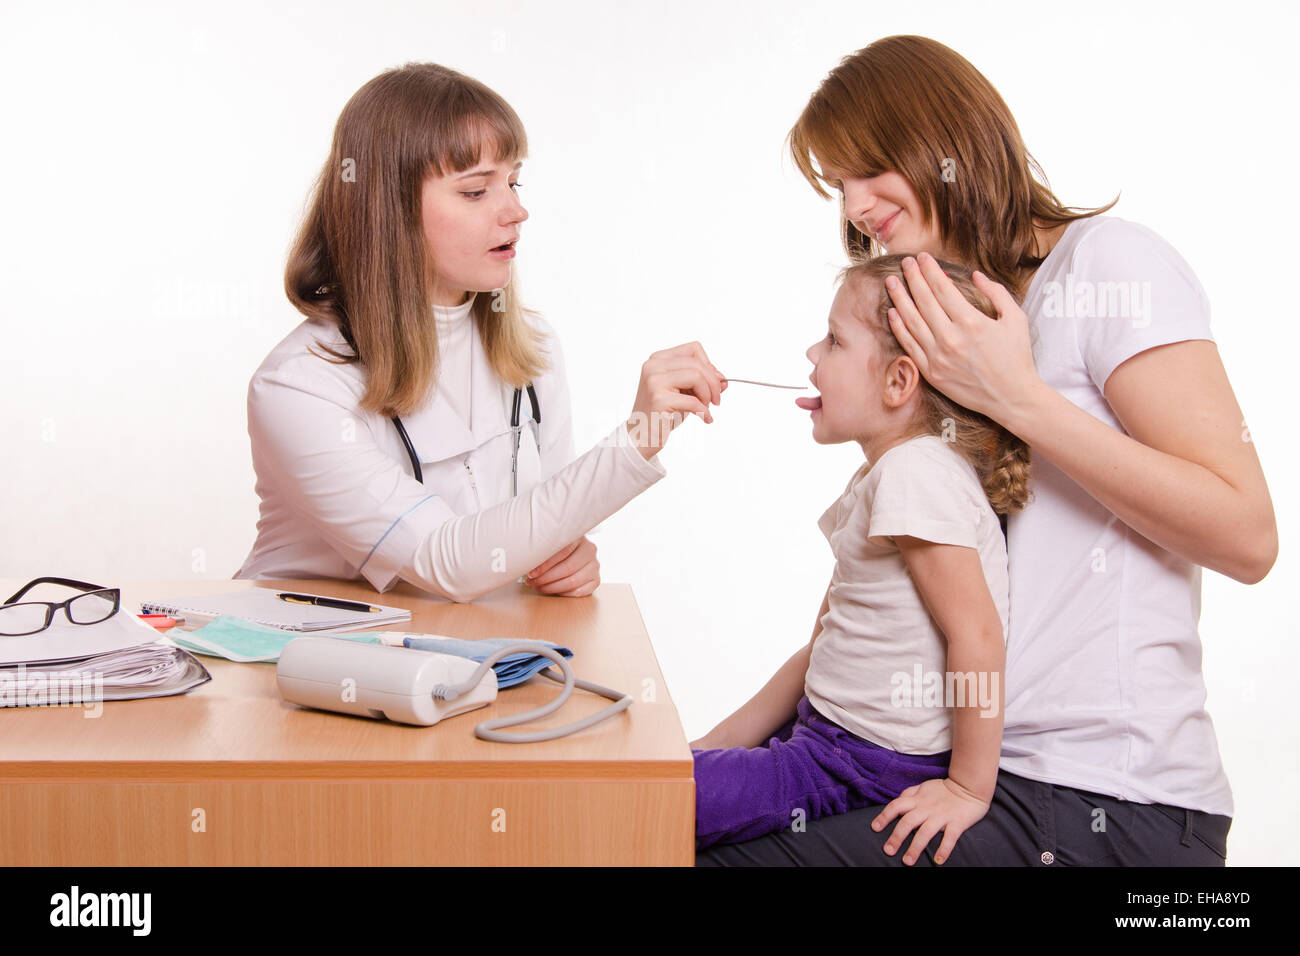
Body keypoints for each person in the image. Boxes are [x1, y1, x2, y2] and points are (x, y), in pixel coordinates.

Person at [697, 34, 1276, 866]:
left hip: (1097, 801)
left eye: (867, 170)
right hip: (955, 765)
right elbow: (867, 616)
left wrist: (1019, 399)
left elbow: (1248, 538)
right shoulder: (937, 334)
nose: (856, 207)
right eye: (839, 186)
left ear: (942, 142)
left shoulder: (1109, 266)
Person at [235, 63, 725, 602]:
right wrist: (639, 438)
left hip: (462, 658)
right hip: (298, 665)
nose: (517, 211)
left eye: (513, 181)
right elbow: (447, 562)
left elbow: (549, 520)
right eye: (475, 191)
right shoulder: (300, 385)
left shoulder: (534, 349)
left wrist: (567, 558)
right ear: (387, 210)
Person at [693, 256, 1028, 858]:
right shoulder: (888, 474)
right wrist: (704, 752)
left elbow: (977, 633)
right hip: (824, 739)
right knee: (669, 784)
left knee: (656, 805)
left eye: (834, 341)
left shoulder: (914, 474)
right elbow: (823, 642)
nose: (812, 355)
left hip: (858, 762)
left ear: (899, 382)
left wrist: (968, 787)